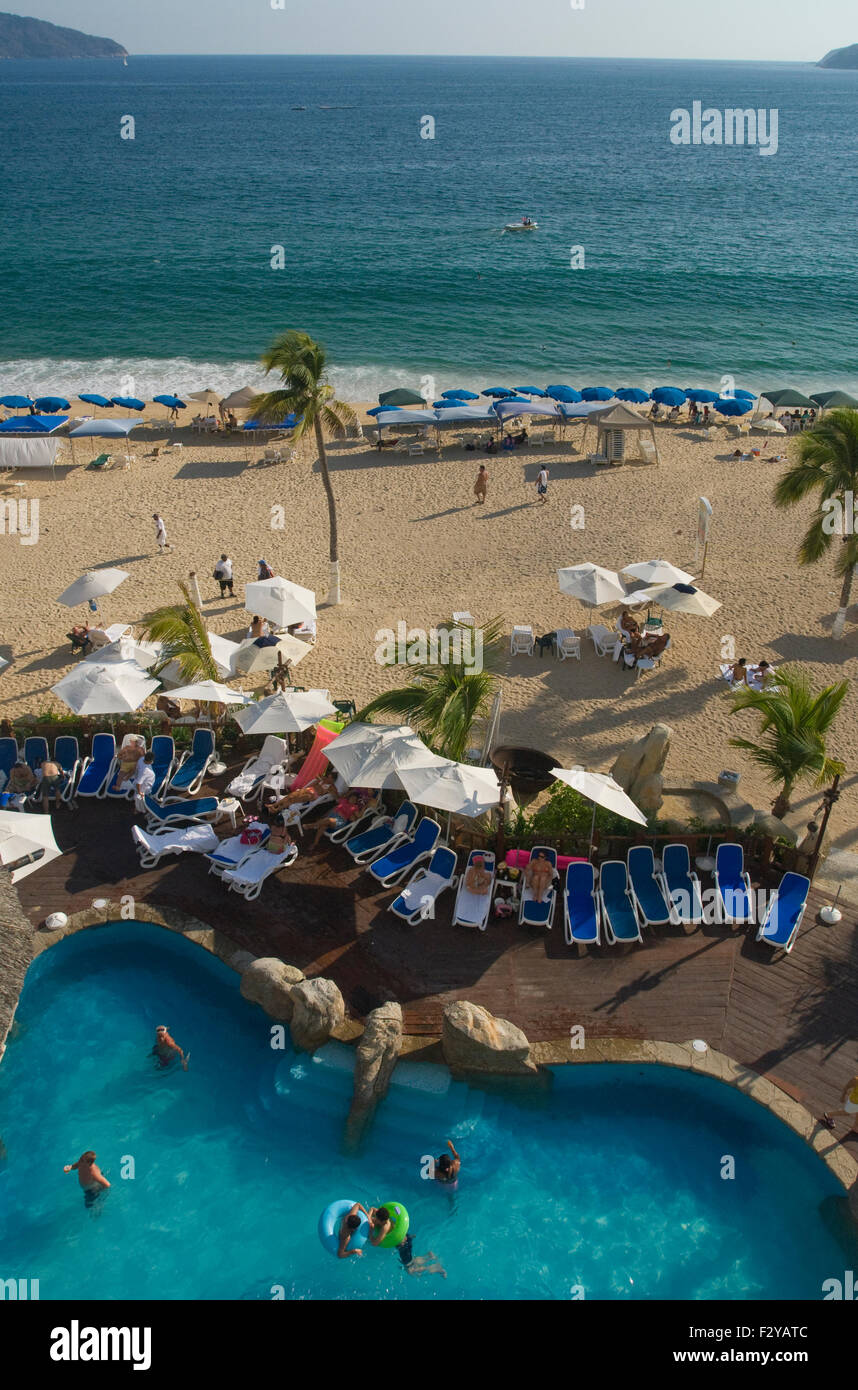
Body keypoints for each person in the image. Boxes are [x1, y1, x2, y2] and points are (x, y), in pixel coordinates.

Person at [367, 1208, 446, 1278]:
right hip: (406, 1238)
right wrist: (369, 1218)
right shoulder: (384, 1215)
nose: (375, 1220)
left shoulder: (385, 1227)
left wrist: (370, 1231)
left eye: (377, 1219)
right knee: (411, 1261)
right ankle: (429, 1256)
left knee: (410, 1270)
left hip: (403, 1247)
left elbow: (375, 1243)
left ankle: (436, 1268)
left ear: (383, 1221)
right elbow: (372, 1209)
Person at [266, 774, 337, 819]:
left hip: (313, 795)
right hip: (309, 789)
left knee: (293, 800)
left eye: (329, 778)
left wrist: (337, 794)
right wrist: (320, 778)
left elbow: (337, 796)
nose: (328, 778)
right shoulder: (323, 779)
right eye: (328, 776)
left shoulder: (332, 787)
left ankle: (276, 809)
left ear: (333, 780)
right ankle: (273, 805)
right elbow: (317, 776)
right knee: (291, 796)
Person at [822, 1073, 858, 1140]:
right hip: (854, 1102)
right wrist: (843, 1096)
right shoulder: (856, 1080)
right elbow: (847, 1087)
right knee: (846, 1113)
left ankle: (855, 1128)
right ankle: (828, 1114)